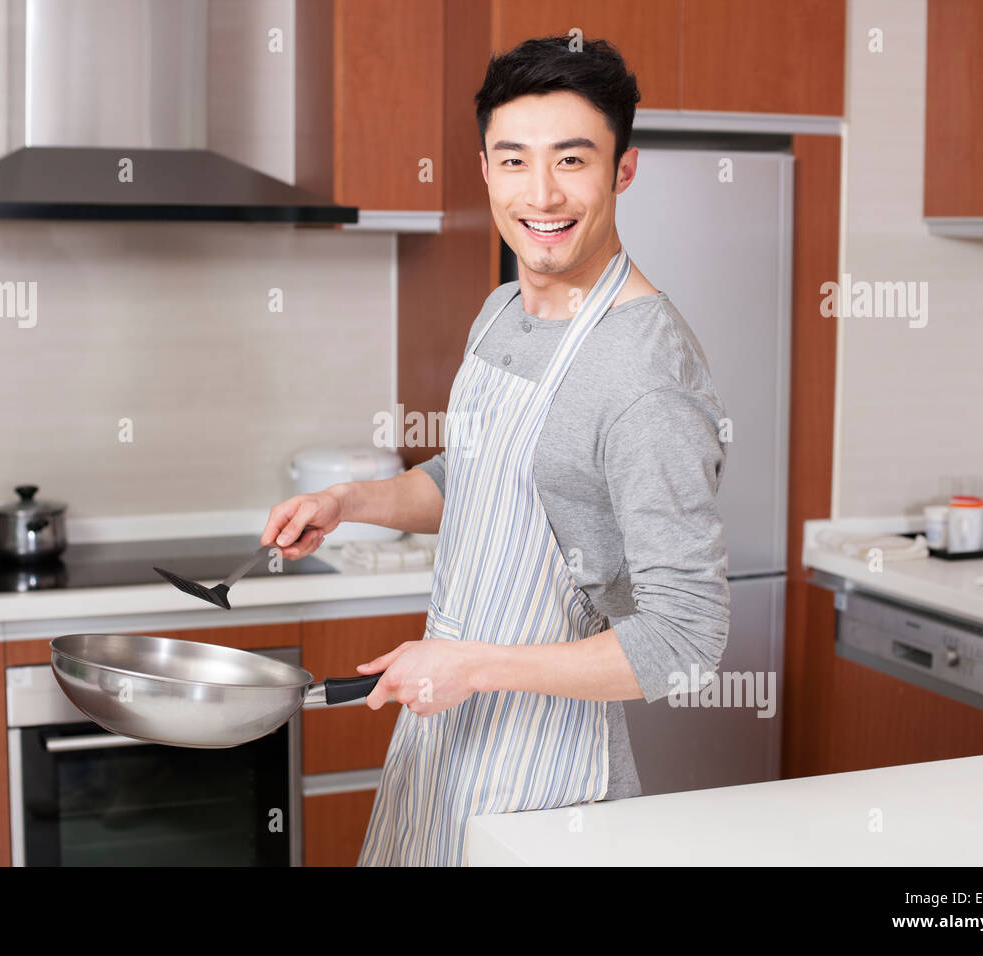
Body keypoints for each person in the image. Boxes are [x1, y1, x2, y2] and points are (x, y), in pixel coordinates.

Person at [260, 35, 730, 867]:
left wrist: (475, 665)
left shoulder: (645, 375)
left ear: (623, 171)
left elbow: (684, 638)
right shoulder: (504, 310)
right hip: (444, 741)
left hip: (549, 782)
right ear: (485, 170)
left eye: (572, 160)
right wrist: (350, 503)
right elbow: (472, 477)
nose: (540, 194)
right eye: (514, 161)